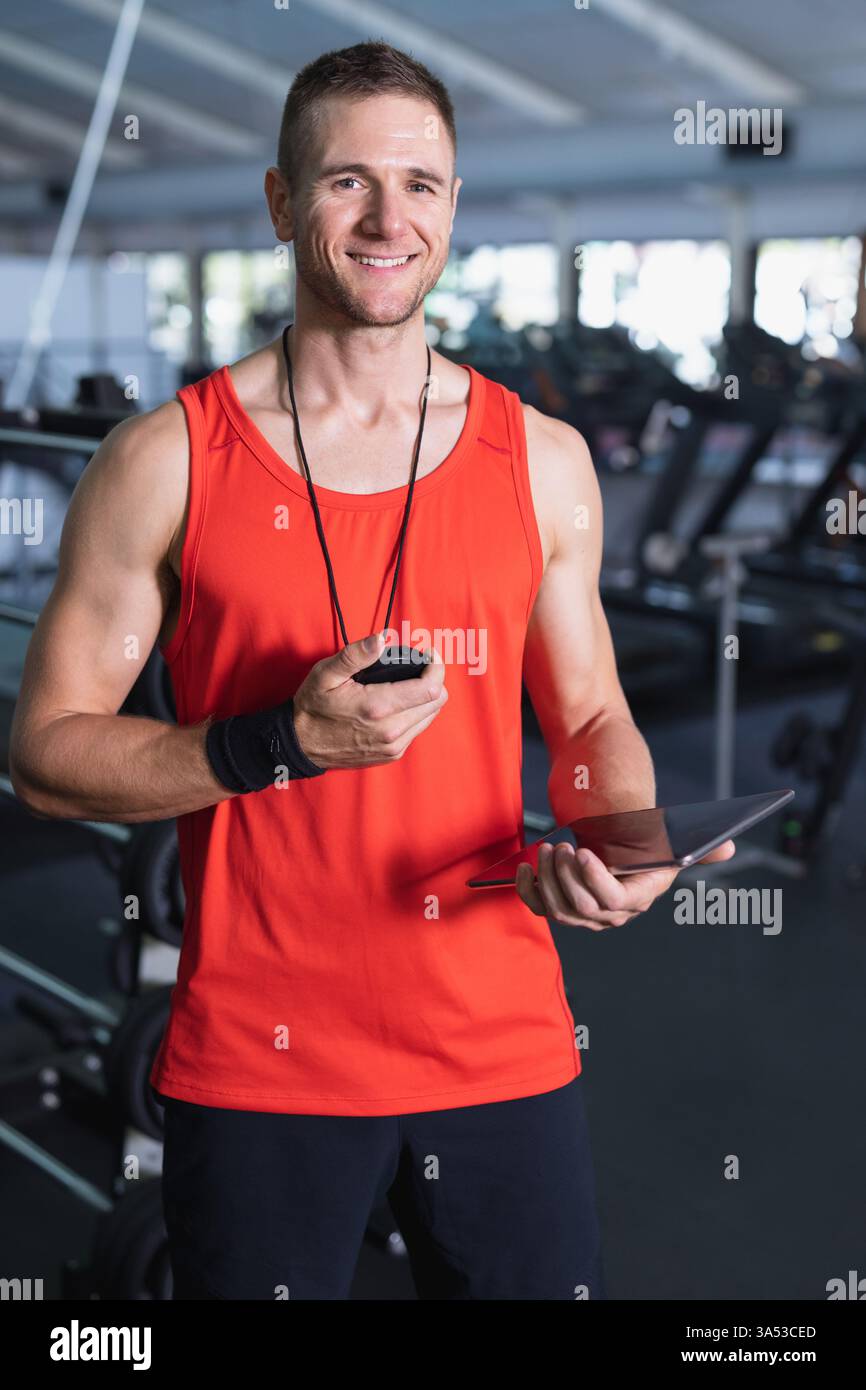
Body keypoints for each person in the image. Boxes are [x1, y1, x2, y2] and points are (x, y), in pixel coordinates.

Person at [9, 41, 732, 1301]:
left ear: (452, 204)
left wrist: (622, 837)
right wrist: (272, 744)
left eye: (423, 184)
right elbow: (48, 760)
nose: (390, 219)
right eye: (348, 182)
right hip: (262, 1064)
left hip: (502, 1043)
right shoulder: (165, 462)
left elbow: (593, 710)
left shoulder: (541, 460)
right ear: (284, 203)